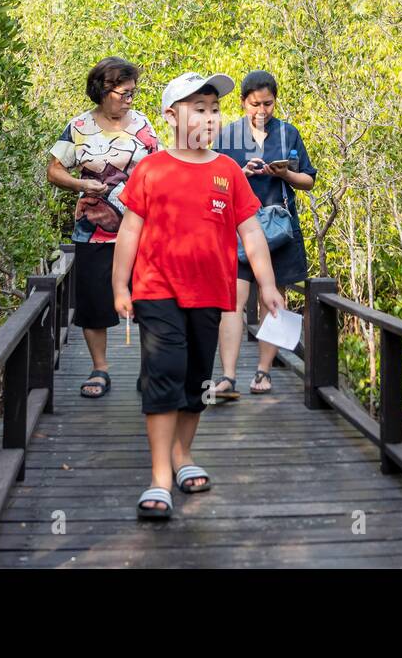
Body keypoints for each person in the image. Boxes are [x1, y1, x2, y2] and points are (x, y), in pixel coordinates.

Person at [112, 72, 284, 519]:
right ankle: (159, 478)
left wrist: (266, 285)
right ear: (172, 115)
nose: (209, 119)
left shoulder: (227, 171)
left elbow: (251, 231)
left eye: (214, 110)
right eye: (198, 110)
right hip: (157, 290)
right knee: (165, 372)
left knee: (196, 380)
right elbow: (130, 230)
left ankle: (182, 454)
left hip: (210, 293)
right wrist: (119, 285)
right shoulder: (151, 169)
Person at [47, 57, 160, 399]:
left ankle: (151, 369)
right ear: (103, 91)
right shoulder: (79, 125)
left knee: (150, 298)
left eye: (133, 93)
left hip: (141, 227)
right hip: (92, 228)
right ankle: (100, 368)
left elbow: (161, 167)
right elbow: (54, 171)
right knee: (95, 300)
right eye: (125, 93)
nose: (130, 99)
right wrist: (81, 185)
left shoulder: (142, 124)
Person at [211, 70, 317, 397]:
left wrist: (286, 174)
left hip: (278, 228)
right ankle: (228, 376)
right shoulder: (228, 137)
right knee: (233, 300)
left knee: (274, 299)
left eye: (268, 103)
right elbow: (214, 184)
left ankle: (263, 370)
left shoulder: (288, 133)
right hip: (239, 228)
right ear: (243, 102)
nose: (262, 110)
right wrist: (239, 173)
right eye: (255, 104)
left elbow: (309, 180)